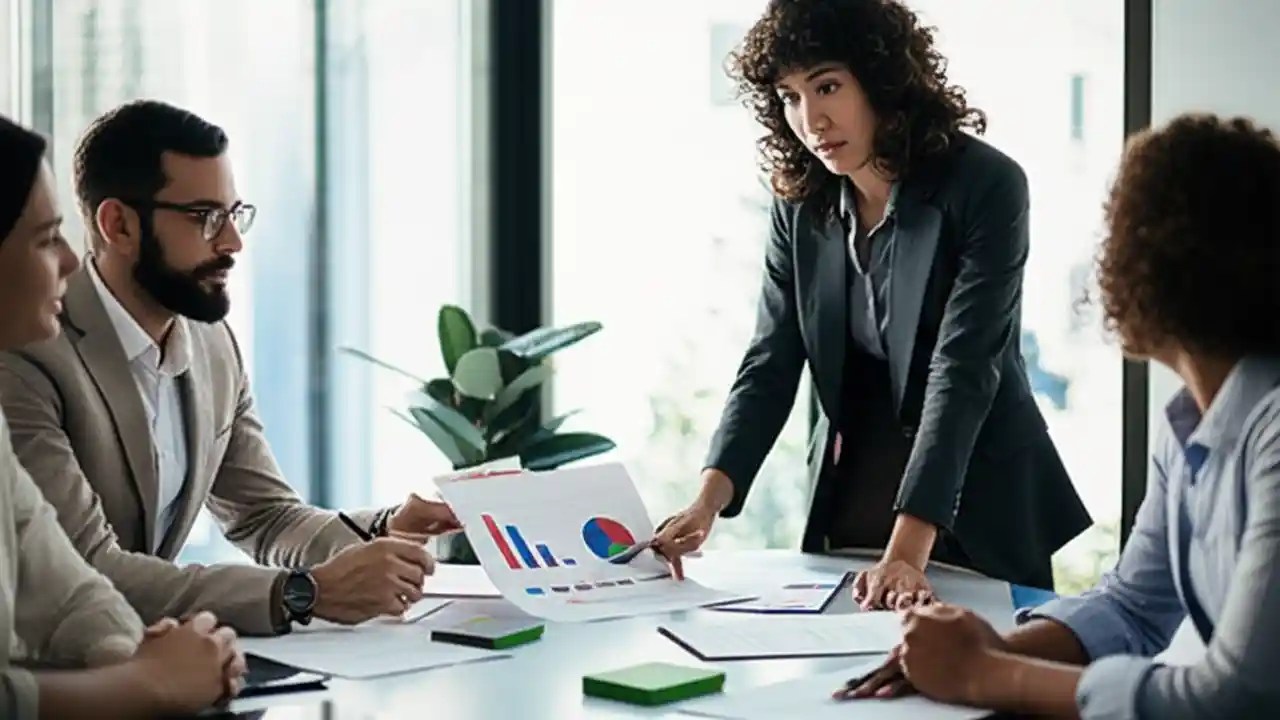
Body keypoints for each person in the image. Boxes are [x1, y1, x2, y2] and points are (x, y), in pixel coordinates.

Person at [653, 0, 1090, 607]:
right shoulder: (799, 204)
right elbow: (772, 359)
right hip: (858, 483)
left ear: (882, 80)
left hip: (978, 483)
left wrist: (908, 551)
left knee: (989, 675)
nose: (811, 120)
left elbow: (963, 367)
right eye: (790, 97)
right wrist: (708, 501)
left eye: (827, 86)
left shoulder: (987, 185)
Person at [844, 113, 1280, 718]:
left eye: (1120, 230)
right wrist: (983, 649)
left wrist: (984, 674)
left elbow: (1237, 698)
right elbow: (1131, 607)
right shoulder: (1189, 423)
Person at [0, 100, 463, 637]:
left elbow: (265, 517)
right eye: (205, 218)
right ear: (119, 226)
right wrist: (303, 593)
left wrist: (385, 529)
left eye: (234, 214)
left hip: (155, 657)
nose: (232, 242)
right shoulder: (28, 351)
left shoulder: (212, 342)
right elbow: (87, 570)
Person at [0, 114, 245, 718]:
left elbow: (67, 589)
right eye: (44, 238)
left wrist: (151, 653)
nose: (68, 261)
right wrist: (149, 681)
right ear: (120, 224)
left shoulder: (214, 346)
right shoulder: (28, 370)